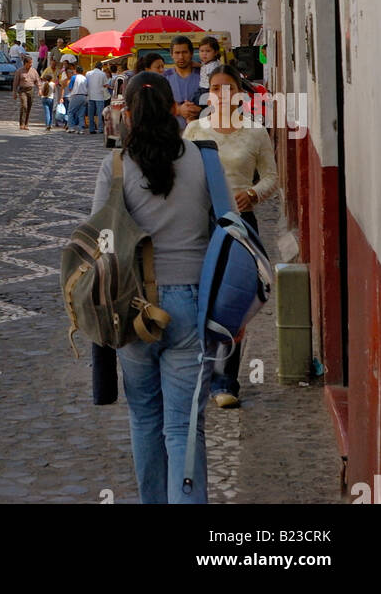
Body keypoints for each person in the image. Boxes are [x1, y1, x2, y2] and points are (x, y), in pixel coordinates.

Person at [91, 71, 215, 504]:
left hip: (134, 308)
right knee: (183, 426)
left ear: (127, 111)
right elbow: (225, 228)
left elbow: (101, 246)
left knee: (145, 419)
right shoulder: (203, 160)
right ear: (171, 108)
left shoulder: (115, 167)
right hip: (192, 303)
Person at [184, 63, 277, 409]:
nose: (222, 94)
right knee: (195, 298)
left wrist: (251, 194)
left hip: (241, 225)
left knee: (232, 303)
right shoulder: (195, 130)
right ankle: (195, 374)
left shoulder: (255, 132)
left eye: (228, 88)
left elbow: (271, 178)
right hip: (200, 224)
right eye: (216, 88)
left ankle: (227, 381)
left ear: (239, 93)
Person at [164, 37, 202, 130]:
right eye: (177, 53)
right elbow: (157, 106)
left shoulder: (204, 76)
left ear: (191, 53)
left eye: (184, 52)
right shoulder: (164, 78)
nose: (181, 57)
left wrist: (201, 110)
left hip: (201, 132)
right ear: (171, 54)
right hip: (173, 134)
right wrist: (179, 110)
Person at [12, 54, 41, 128]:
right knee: (24, 105)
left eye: (31, 63)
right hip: (22, 91)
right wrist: (14, 92)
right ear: (25, 63)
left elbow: (37, 80)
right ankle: (21, 123)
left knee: (29, 107)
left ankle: (26, 123)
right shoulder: (19, 71)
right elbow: (15, 82)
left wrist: (39, 89)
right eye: (29, 63)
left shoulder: (34, 71)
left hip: (31, 90)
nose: (31, 64)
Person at [196, 36, 221, 109]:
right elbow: (202, 65)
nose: (204, 54)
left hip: (207, 90)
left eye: (208, 51)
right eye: (201, 51)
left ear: (216, 52)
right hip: (203, 88)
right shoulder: (207, 63)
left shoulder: (213, 66)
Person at [85, 62, 109, 135]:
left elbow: (86, 84)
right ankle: (100, 128)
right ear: (101, 67)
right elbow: (105, 85)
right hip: (99, 96)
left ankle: (91, 128)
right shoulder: (102, 74)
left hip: (90, 95)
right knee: (100, 113)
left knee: (91, 113)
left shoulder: (88, 73)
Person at [66, 65, 88, 133]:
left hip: (76, 96)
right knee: (81, 114)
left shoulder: (74, 77)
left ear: (76, 71)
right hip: (84, 97)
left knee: (70, 112)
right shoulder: (85, 78)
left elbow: (70, 88)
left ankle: (71, 127)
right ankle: (81, 129)